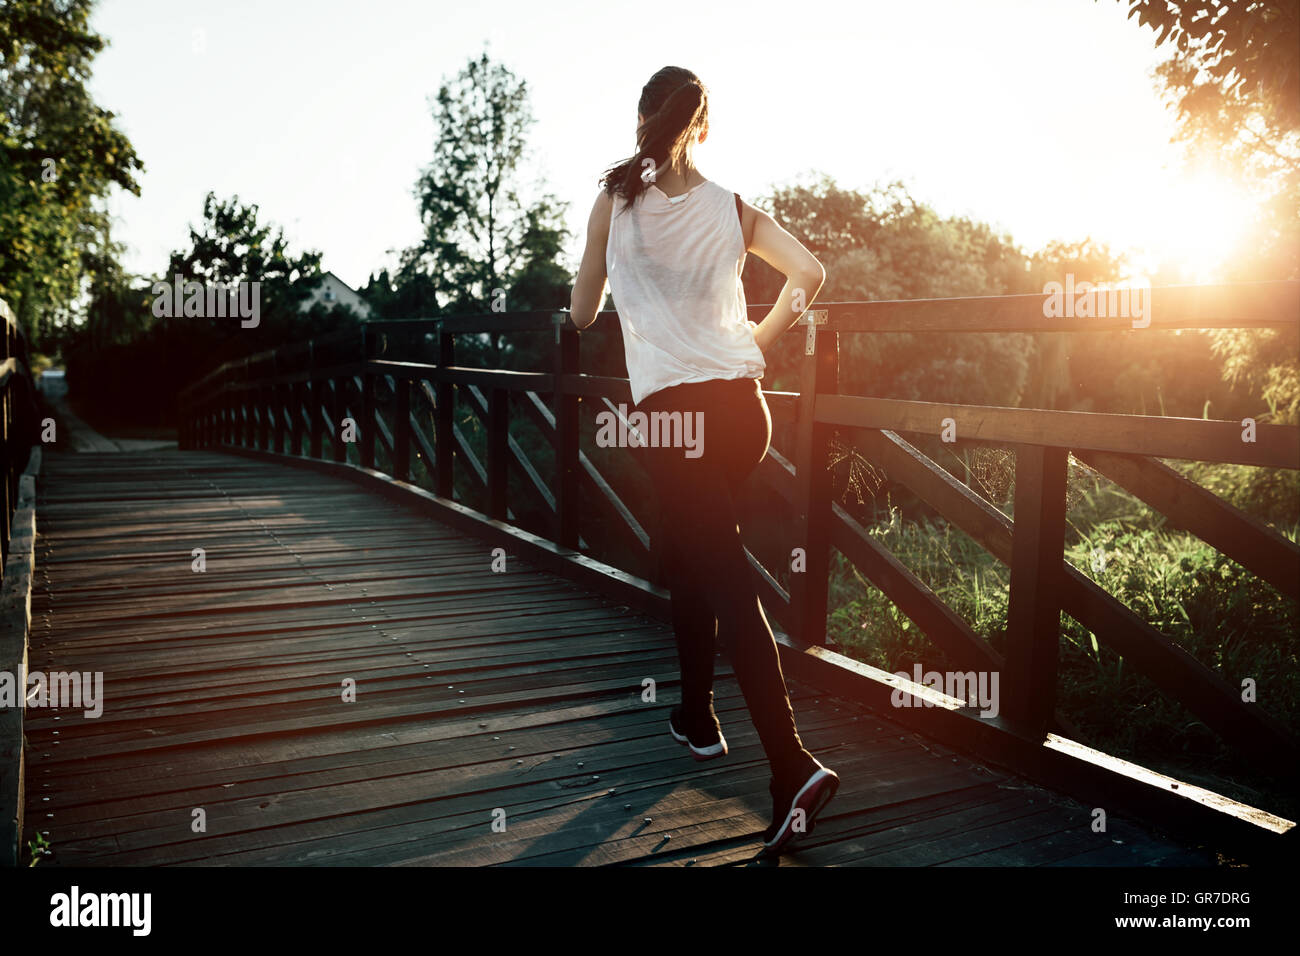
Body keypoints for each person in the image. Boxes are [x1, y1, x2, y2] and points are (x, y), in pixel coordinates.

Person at [568, 65, 838, 855]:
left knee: (720, 569)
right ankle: (695, 716)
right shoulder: (732, 207)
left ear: (642, 120)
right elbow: (812, 275)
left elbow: (583, 313)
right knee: (694, 550)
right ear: (704, 128)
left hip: (673, 420)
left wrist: (598, 279)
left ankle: (791, 765)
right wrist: (754, 343)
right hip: (740, 413)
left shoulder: (613, 203)